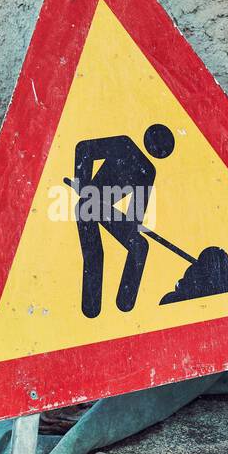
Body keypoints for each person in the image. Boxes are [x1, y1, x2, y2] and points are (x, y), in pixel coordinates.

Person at [65, 124, 175, 318]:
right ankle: (91, 310)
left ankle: (125, 305)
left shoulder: (148, 171)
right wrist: (82, 181)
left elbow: (136, 214)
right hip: (86, 205)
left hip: (104, 209)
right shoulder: (124, 145)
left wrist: (134, 225)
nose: (158, 149)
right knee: (95, 254)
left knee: (139, 246)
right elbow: (84, 149)